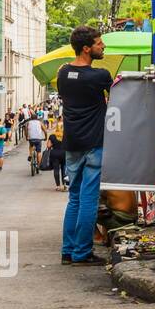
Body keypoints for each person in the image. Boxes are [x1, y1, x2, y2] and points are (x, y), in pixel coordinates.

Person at [57, 27, 113, 265]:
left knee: (74, 199)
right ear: (87, 48)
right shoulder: (99, 76)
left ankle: (67, 251)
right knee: (89, 199)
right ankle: (81, 253)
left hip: (72, 143)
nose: (103, 47)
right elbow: (116, 97)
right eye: (100, 44)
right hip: (94, 143)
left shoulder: (62, 74)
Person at [47, 125, 67, 191]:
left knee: (56, 169)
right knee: (64, 169)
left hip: (54, 154)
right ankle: (64, 185)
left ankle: (58, 186)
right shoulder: (65, 134)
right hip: (64, 153)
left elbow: (48, 146)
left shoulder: (52, 136)